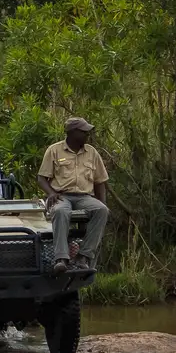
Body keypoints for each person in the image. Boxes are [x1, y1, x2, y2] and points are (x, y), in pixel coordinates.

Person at [36, 116, 109, 270]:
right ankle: (61, 259)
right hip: (62, 195)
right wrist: (50, 193)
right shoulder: (54, 150)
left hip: (84, 196)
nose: (87, 135)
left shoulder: (92, 152)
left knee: (102, 210)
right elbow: (42, 178)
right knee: (60, 211)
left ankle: (84, 256)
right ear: (73, 133)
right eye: (84, 132)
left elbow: (100, 181)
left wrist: (102, 202)